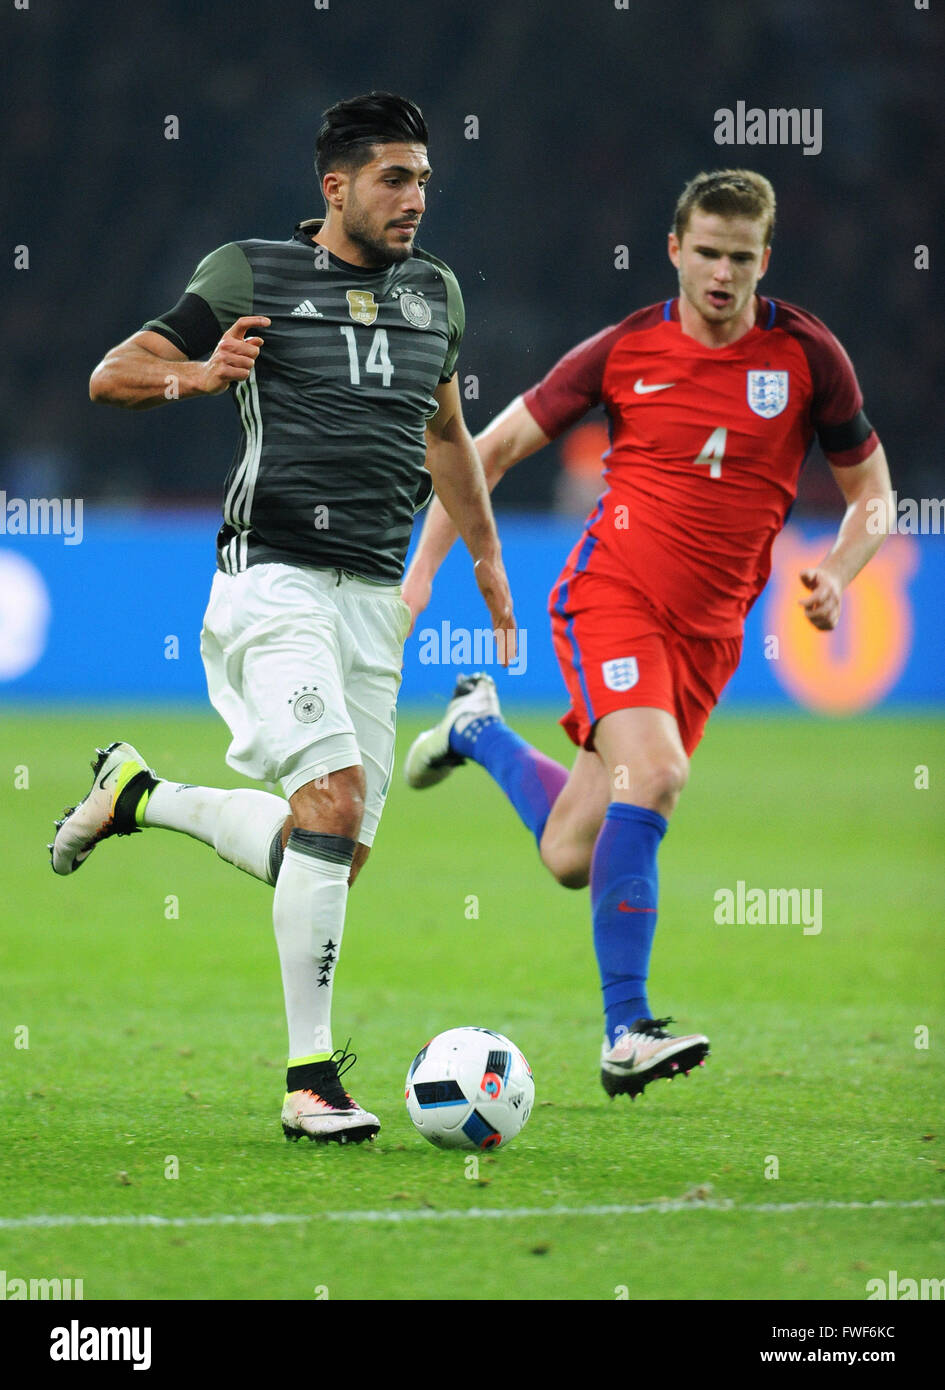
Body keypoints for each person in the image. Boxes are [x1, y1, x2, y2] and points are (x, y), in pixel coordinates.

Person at [50, 91, 515, 1144]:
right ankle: (310, 1081)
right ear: (335, 186)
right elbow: (111, 374)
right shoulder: (251, 272)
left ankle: (139, 794)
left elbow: (448, 435)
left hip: (373, 598)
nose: (414, 199)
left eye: (425, 180)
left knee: (331, 853)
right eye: (395, 179)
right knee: (334, 801)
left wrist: (485, 556)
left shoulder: (434, 293)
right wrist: (198, 377)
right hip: (275, 578)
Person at [402, 169, 892, 1100]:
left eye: (739, 259)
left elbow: (873, 495)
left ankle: (475, 730)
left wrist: (836, 569)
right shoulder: (624, 350)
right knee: (657, 773)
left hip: (709, 638)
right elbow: (490, 447)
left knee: (571, 854)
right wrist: (429, 565)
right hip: (613, 594)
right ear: (673, 248)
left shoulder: (807, 357)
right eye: (705, 252)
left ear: (764, 261)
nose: (720, 274)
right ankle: (626, 1029)